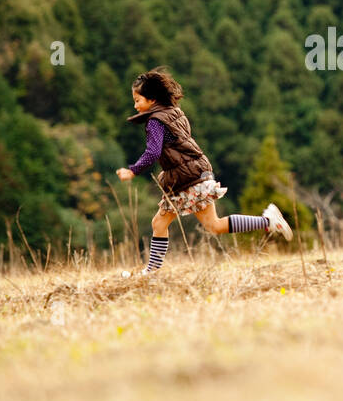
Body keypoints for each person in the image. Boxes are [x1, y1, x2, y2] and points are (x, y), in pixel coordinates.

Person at [116, 68, 292, 274]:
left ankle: (152, 271)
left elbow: (153, 152)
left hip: (187, 179)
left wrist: (133, 171)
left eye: (138, 100)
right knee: (199, 225)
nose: (135, 105)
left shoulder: (155, 121)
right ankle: (268, 221)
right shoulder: (174, 112)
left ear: (152, 99)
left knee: (177, 224)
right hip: (191, 174)